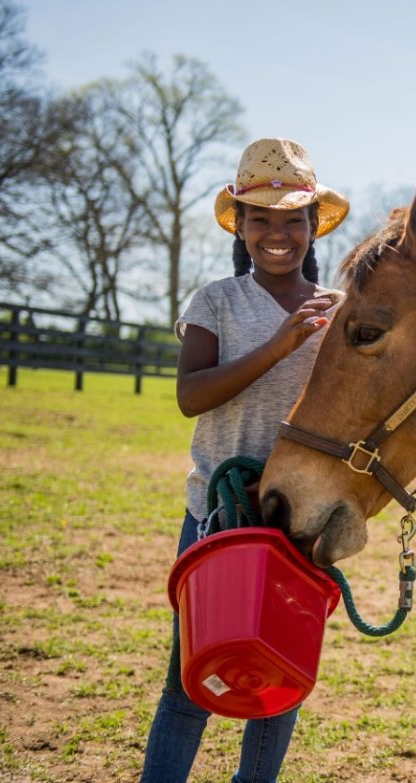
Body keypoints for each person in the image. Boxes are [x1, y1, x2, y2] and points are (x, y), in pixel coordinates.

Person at [140, 137, 349, 783]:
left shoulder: (338, 312)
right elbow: (190, 394)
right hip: (216, 516)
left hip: (297, 520)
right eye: (262, 219)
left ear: (314, 226)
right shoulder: (216, 302)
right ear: (241, 225)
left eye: (293, 220)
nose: (278, 234)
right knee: (187, 686)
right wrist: (280, 345)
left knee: (279, 684)